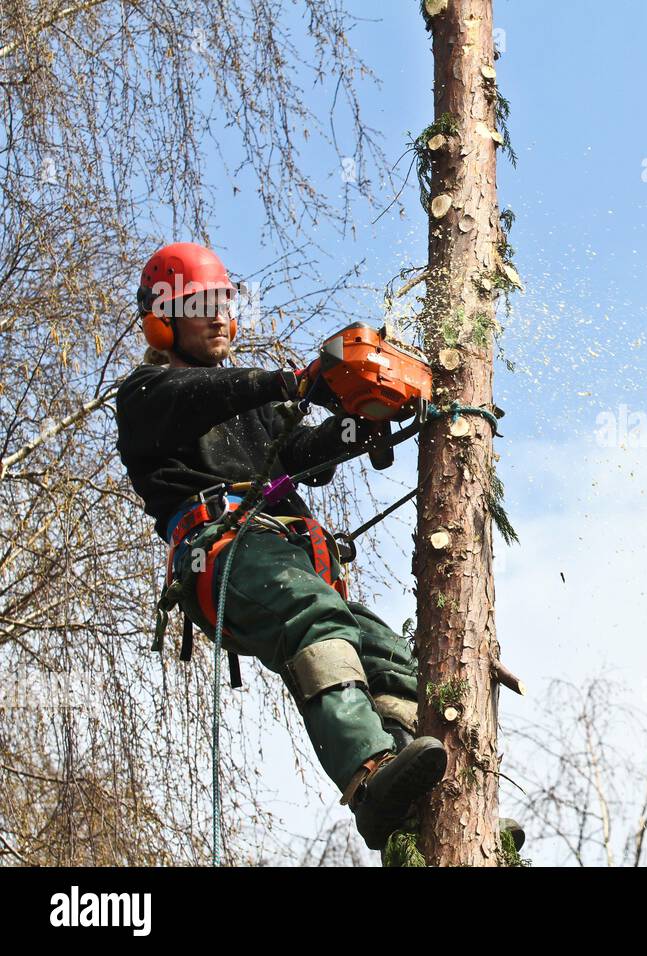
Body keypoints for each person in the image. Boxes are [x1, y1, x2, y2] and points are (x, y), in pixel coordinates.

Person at [115, 242, 521, 854]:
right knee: (317, 619)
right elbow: (199, 399)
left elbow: (303, 453)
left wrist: (361, 422)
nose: (221, 317)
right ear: (161, 319)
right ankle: (366, 775)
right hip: (221, 555)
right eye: (201, 305)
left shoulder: (250, 402)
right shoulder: (149, 394)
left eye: (225, 303)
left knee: (385, 653)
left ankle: (442, 808)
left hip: (286, 557)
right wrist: (296, 380)